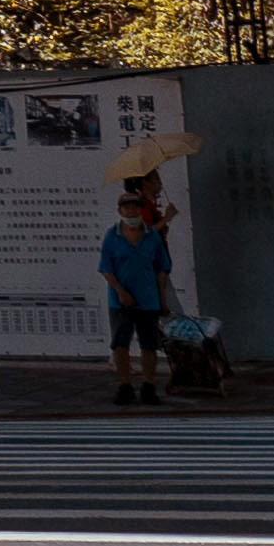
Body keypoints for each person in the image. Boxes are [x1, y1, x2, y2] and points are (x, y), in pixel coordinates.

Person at [100, 168, 181, 405]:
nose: (132, 211)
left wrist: (163, 300)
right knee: (121, 343)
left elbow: (162, 268)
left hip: (148, 298)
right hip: (121, 300)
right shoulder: (112, 236)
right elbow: (106, 268)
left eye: (135, 207)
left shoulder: (150, 237)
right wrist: (120, 292)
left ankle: (148, 385)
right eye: (127, 207)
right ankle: (125, 386)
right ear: (120, 211)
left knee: (148, 344)